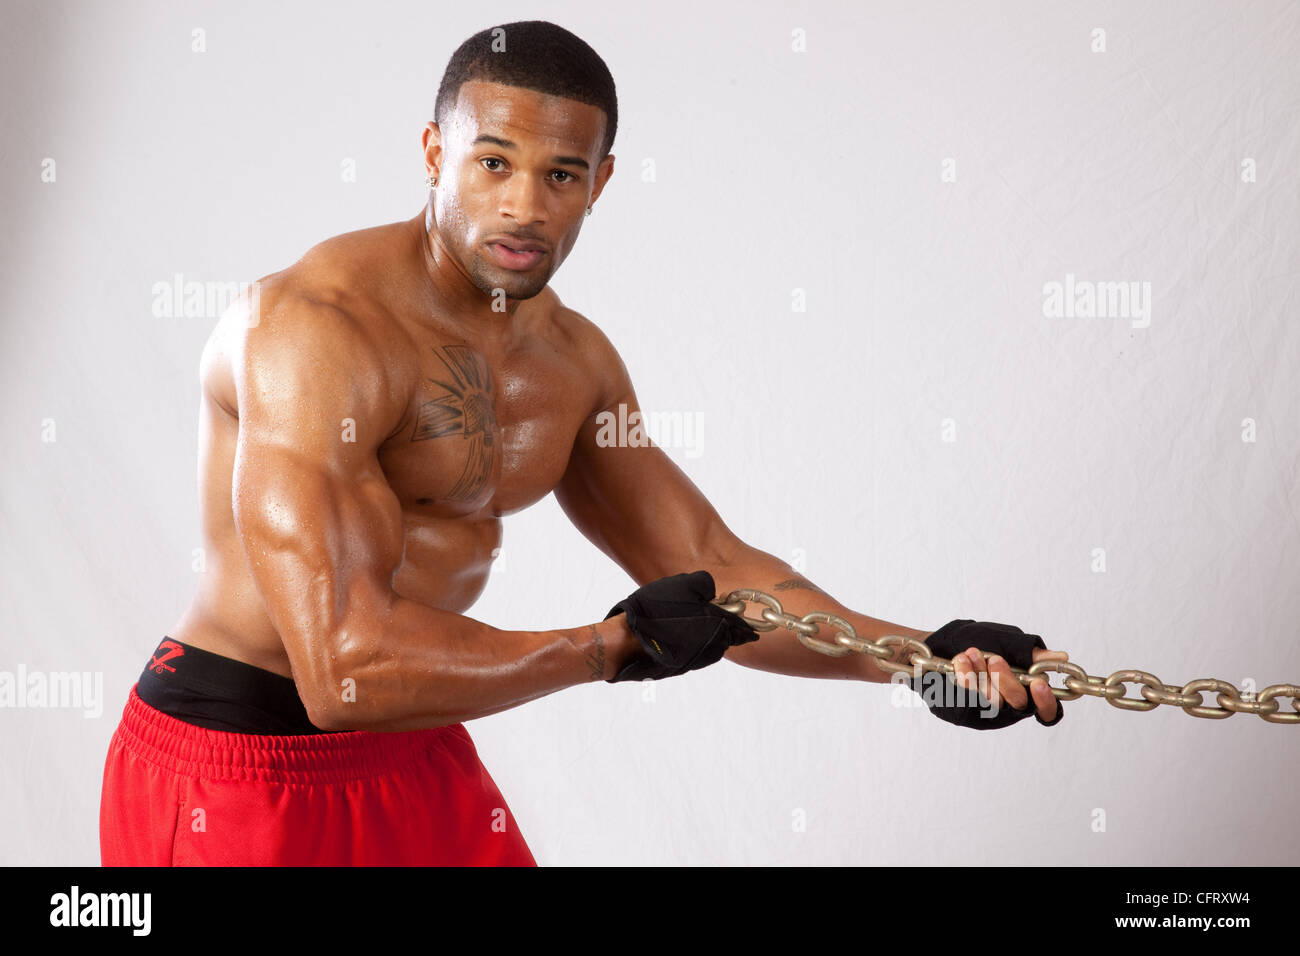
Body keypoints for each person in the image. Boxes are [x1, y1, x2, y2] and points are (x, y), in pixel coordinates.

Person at [99, 19, 1067, 867]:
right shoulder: (318, 329)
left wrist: (917, 655)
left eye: (560, 174)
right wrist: (607, 646)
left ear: (599, 181)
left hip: (419, 745)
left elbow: (716, 568)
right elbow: (344, 671)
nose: (524, 205)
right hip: (240, 765)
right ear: (436, 152)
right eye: (494, 162)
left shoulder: (572, 363)